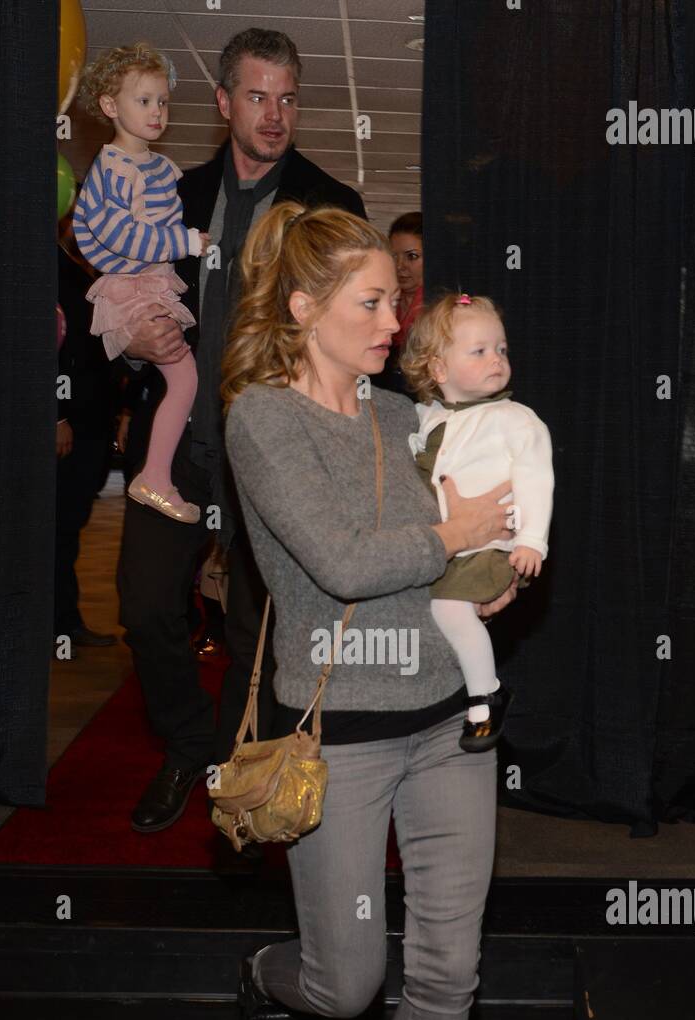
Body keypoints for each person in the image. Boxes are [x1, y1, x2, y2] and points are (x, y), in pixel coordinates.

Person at [220, 199, 522, 1020]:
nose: (396, 315)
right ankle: (265, 980)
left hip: (447, 724)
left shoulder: (408, 413)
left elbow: (457, 550)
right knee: (347, 982)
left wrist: (500, 555)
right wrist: (455, 533)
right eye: (372, 301)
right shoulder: (263, 421)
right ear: (303, 309)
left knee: (447, 969)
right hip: (338, 739)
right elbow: (347, 561)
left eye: (396, 299)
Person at [115, 28, 366, 834]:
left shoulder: (334, 207)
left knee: (256, 631)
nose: (274, 114)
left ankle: (233, 773)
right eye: (257, 96)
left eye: (287, 97)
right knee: (146, 604)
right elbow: (118, 305)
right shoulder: (169, 197)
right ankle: (188, 743)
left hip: (275, 458)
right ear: (223, 103)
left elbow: (353, 339)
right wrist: (133, 341)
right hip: (179, 449)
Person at [402, 292, 554, 749]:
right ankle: (455, 695)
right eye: (480, 351)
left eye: (501, 349)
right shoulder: (425, 419)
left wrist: (531, 540)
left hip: (490, 548)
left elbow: (535, 479)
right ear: (438, 370)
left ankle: (486, 695)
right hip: (443, 548)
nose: (497, 360)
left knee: (449, 610)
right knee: (438, 615)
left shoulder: (515, 420)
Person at [73, 42, 210, 525]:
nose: (157, 112)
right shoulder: (113, 168)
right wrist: (188, 242)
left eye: (162, 101)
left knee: (184, 380)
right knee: (185, 378)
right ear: (111, 107)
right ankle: (155, 476)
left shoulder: (158, 165)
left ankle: (157, 474)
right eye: (143, 100)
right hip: (133, 285)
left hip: (151, 281)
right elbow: (118, 233)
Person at [55, 208, 118, 649]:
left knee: (73, 523)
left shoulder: (91, 270)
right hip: (70, 420)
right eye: (83, 223)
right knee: (60, 526)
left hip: (96, 418)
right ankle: (59, 625)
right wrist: (56, 415)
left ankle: (66, 619)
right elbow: (51, 345)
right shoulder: (51, 269)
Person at [370, 211, 424, 398]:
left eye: (412, 256)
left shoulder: (441, 311)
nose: (400, 266)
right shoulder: (376, 302)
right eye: (394, 256)